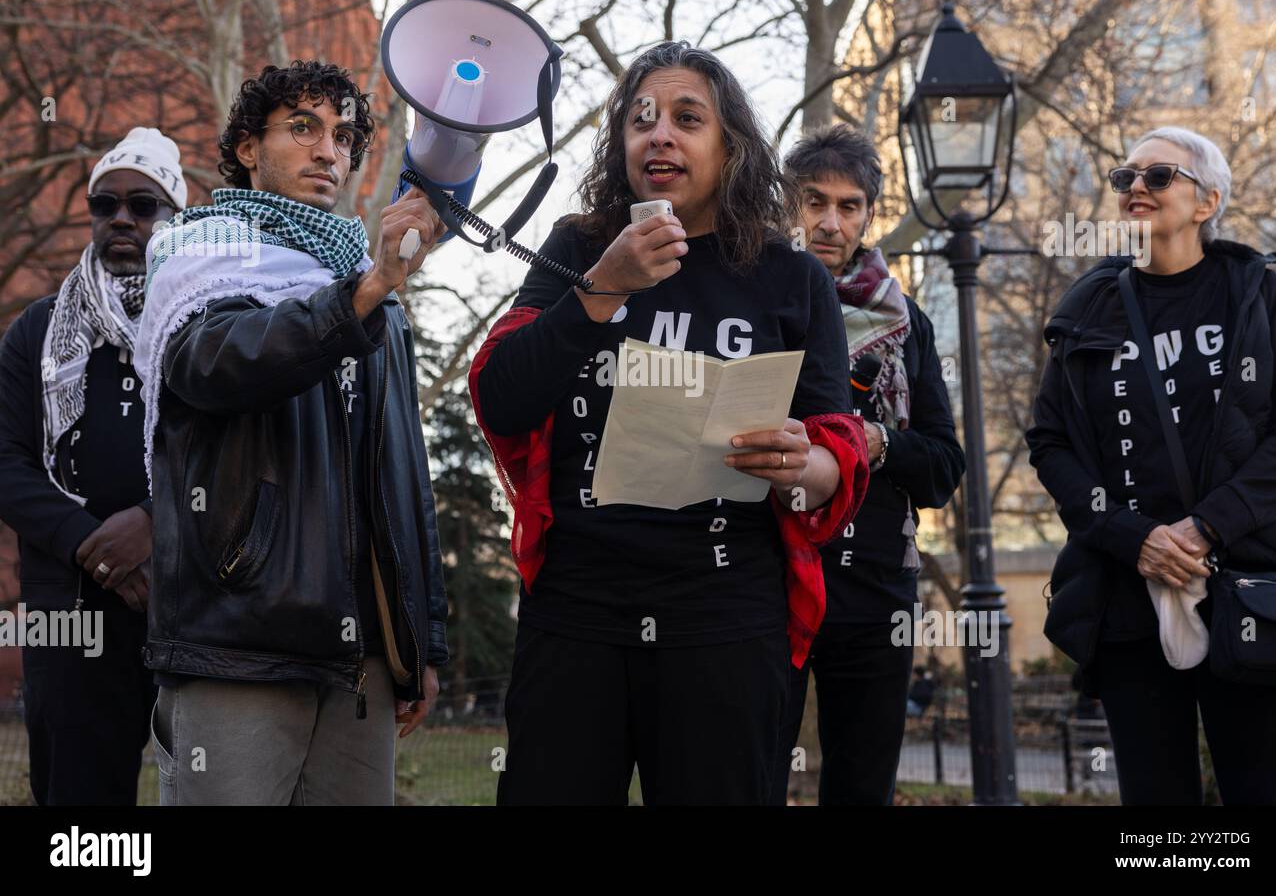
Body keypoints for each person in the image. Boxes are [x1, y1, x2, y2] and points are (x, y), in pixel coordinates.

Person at [469, 42, 869, 805]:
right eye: (640, 119)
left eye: (688, 118)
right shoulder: (580, 246)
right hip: (578, 608)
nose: (660, 135)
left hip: (725, 615)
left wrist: (806, 465)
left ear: (731, 147)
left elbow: (835, 444)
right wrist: (601, 290)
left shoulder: (793, 276)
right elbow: (501, 395)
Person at [133, 60, 450, 805]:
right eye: (303, 127)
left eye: (343, 137)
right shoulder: (197, 250)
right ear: (247, 146)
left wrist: (421, 641)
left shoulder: (370, 289)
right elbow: (219, 362)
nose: (327, 152)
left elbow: (408, 475)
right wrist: (364, 294)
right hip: (239, 641)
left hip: (364, 657)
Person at [1026, 125, 1276, 805]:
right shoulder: (1086, 309)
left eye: (1157, 176)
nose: (1135, 189)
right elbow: (1050, 440)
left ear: (1208, 201)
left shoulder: (1258, 295)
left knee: (1268, 787)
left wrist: (1207, 527)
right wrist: (1133, 537)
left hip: (1250, 584)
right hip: (1125, 594)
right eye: (1125, 178)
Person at [769, 124, 964, 805]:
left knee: (862, 787)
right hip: (763, 572)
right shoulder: (751, 293)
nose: (829, 221)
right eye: (813, 201)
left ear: (869, 215)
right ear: (787, 204)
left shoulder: (906, 320)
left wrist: (876, 442)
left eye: (848, 206)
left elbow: (943, 464)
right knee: (747, 775)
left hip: (877, 581)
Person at [0, 127, 185, 804]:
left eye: (144, 205)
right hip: (69, 610)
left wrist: (154, 522)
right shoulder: (38, 330)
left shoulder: (207, 325)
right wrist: (91, 542)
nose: (122, 220)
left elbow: (238, 459)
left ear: (175, 219)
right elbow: (7, 463)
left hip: (192, 600)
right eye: (104, 205)